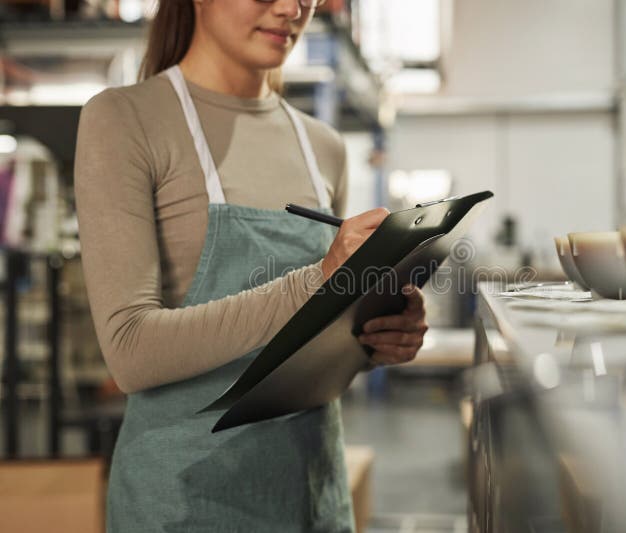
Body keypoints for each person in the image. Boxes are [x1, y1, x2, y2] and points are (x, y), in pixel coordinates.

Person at [73, 0, 428, 530]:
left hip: (310, 490)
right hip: (185, 503)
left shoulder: (322, 146)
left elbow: (307, 345)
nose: (291, 8)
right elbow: (130, 352)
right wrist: (319, 282)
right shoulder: (125, 119)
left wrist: (375, 337)